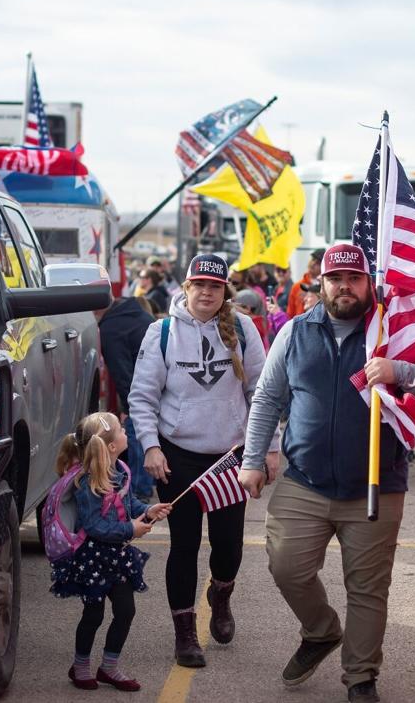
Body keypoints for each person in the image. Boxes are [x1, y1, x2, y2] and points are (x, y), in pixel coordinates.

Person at [239, 244, 415, 703]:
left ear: (368, 282)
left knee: (368, 589)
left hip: (375, 484)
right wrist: (253, 460)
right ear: (321, 282)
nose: (344, 287)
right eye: (335, 279)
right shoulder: (296, 331)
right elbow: (267, 399)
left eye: (354, 279)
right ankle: (320, 631)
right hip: (304, 481)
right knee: (285, 567)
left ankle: (360, 677)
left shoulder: (393, 333)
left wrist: (398, 368)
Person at [127, 253, 272, 668]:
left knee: (228, 547)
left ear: (224, 291)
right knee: (184, 546)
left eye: (215, 286)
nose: (206, 293)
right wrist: (150, 446)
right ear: (185, 287)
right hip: (178, 456)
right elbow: (142, 397)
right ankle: (185, 633)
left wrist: (267, 449)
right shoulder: (162, 333)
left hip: (230, 457)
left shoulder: (243, 329)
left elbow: (262, 393)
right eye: (199, 285)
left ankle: (221, 595)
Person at [51, 412, 173, 692]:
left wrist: (147, 511)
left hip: (117, 557)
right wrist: (130, 530)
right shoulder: (88, 482)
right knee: (93, 615)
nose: (125, 432)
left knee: (125, 611)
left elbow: (129, 505)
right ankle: (80, 665)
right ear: (110, 446)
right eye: (121, 429)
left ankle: (109, 666)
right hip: (93, 558)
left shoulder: (121, 470)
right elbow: (94, 526)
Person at [97, 296, 157, 499]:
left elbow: (123, 374)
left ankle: (139, 493)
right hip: (159, 388)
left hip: (143, 393)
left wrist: (130, 408)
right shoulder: (139, 316)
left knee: (137, 436)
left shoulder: (110, 329)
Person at [287, 248, 325, 317]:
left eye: (318, 263)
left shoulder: (325, 287)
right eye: (313, 259)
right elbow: (290, 314)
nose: (313, 264)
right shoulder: (297, 286)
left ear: (323, 267)